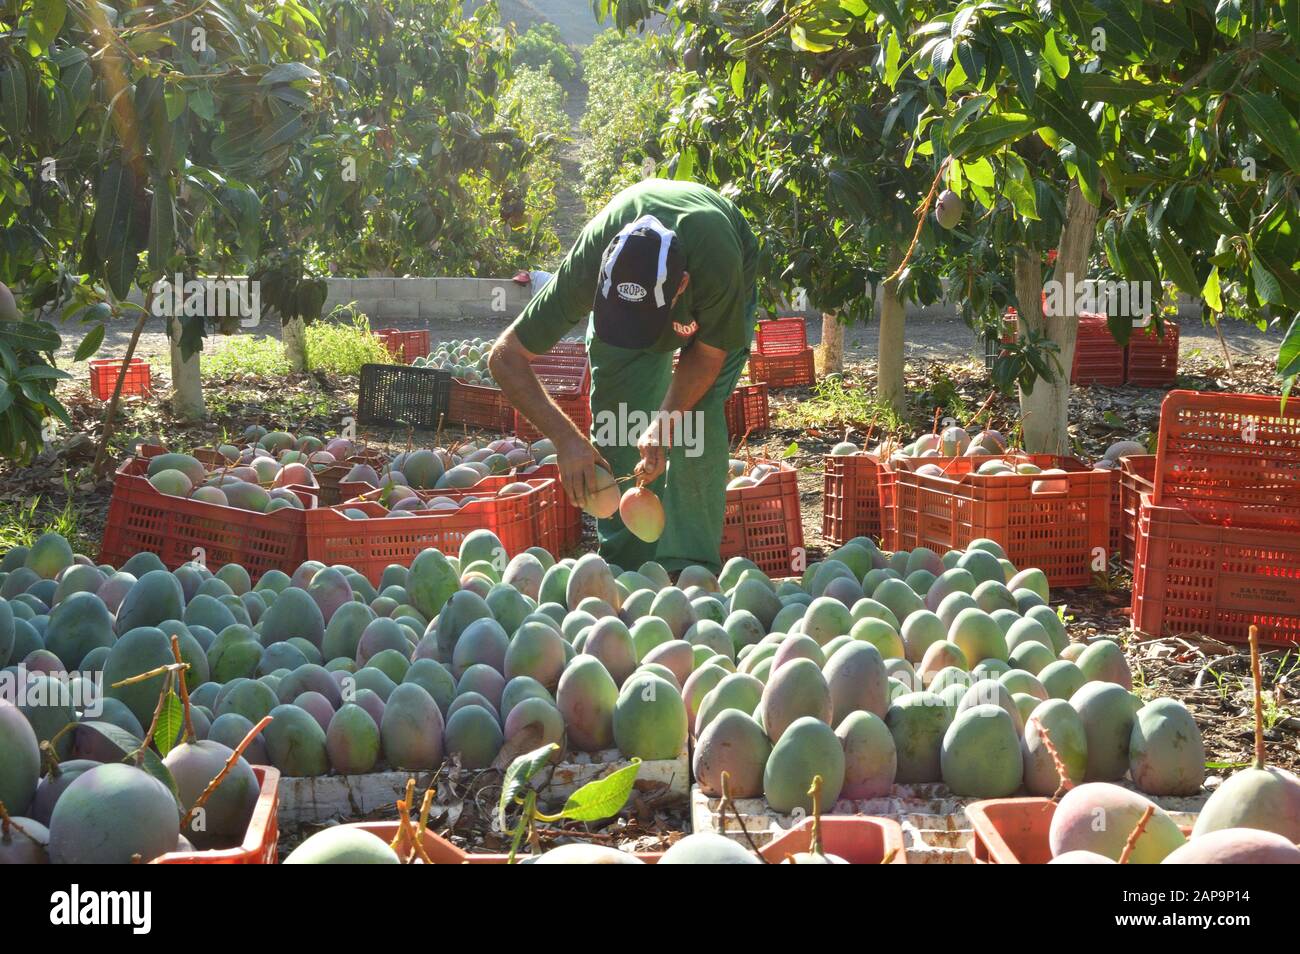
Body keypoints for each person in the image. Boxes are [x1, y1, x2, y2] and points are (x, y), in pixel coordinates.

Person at [489, 178, 759, 574]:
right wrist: (566, 440)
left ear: (681, 286)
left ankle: (689, 567)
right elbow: (505, 357)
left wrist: (664, 424)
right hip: (637, 289)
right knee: (619, 424)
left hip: (718, 267)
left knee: (694, 421)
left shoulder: (717, 261)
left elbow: (706, 357)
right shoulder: (589, 263)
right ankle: (629, 565)